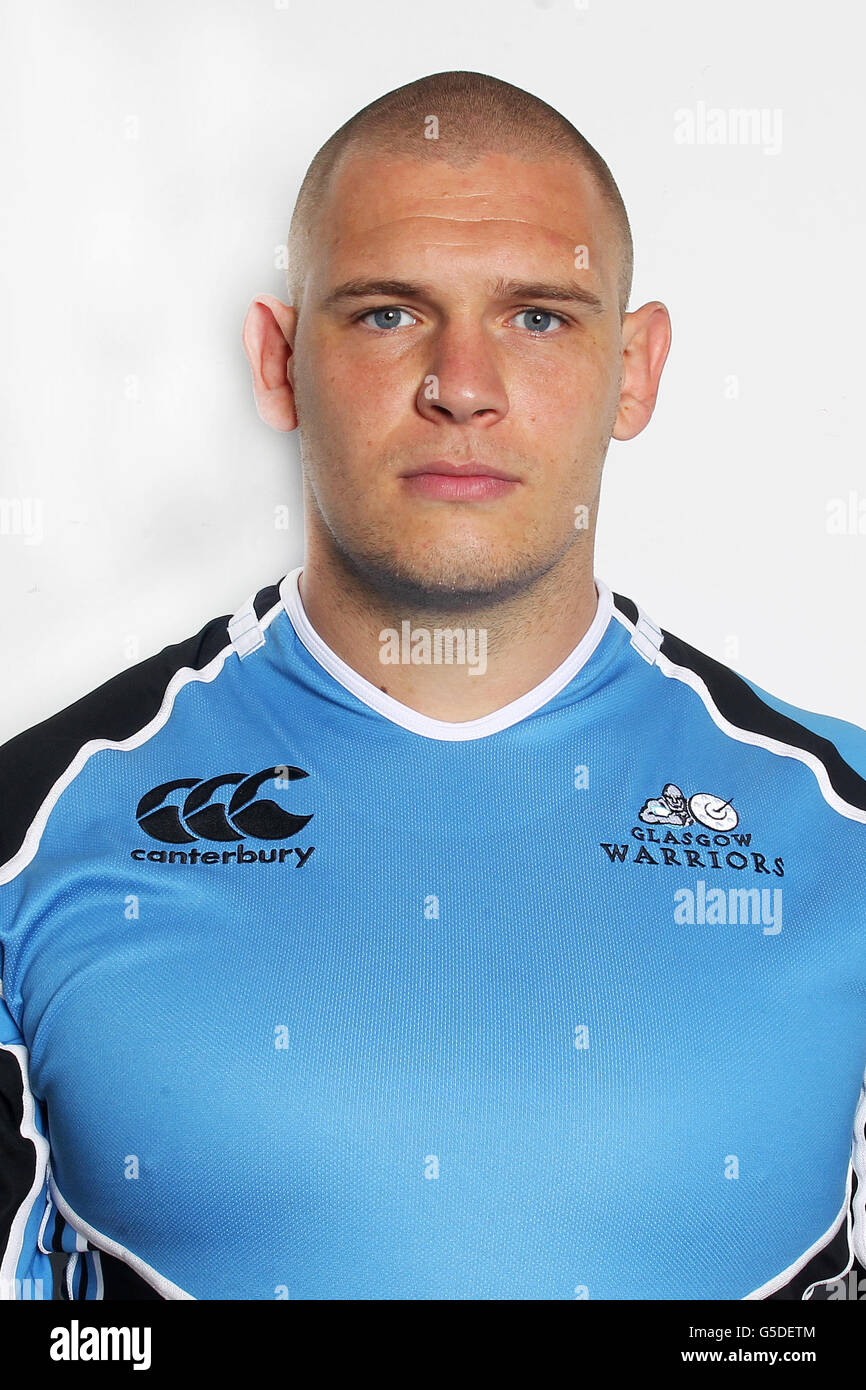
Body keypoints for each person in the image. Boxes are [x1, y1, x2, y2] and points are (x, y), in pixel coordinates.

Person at [1, 69, 864, 1302]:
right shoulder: (34, 827)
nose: (461, 384)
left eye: (537, 318)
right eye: (388, 314)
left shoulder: (844, 825)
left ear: (635, 368)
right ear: (279, 360)